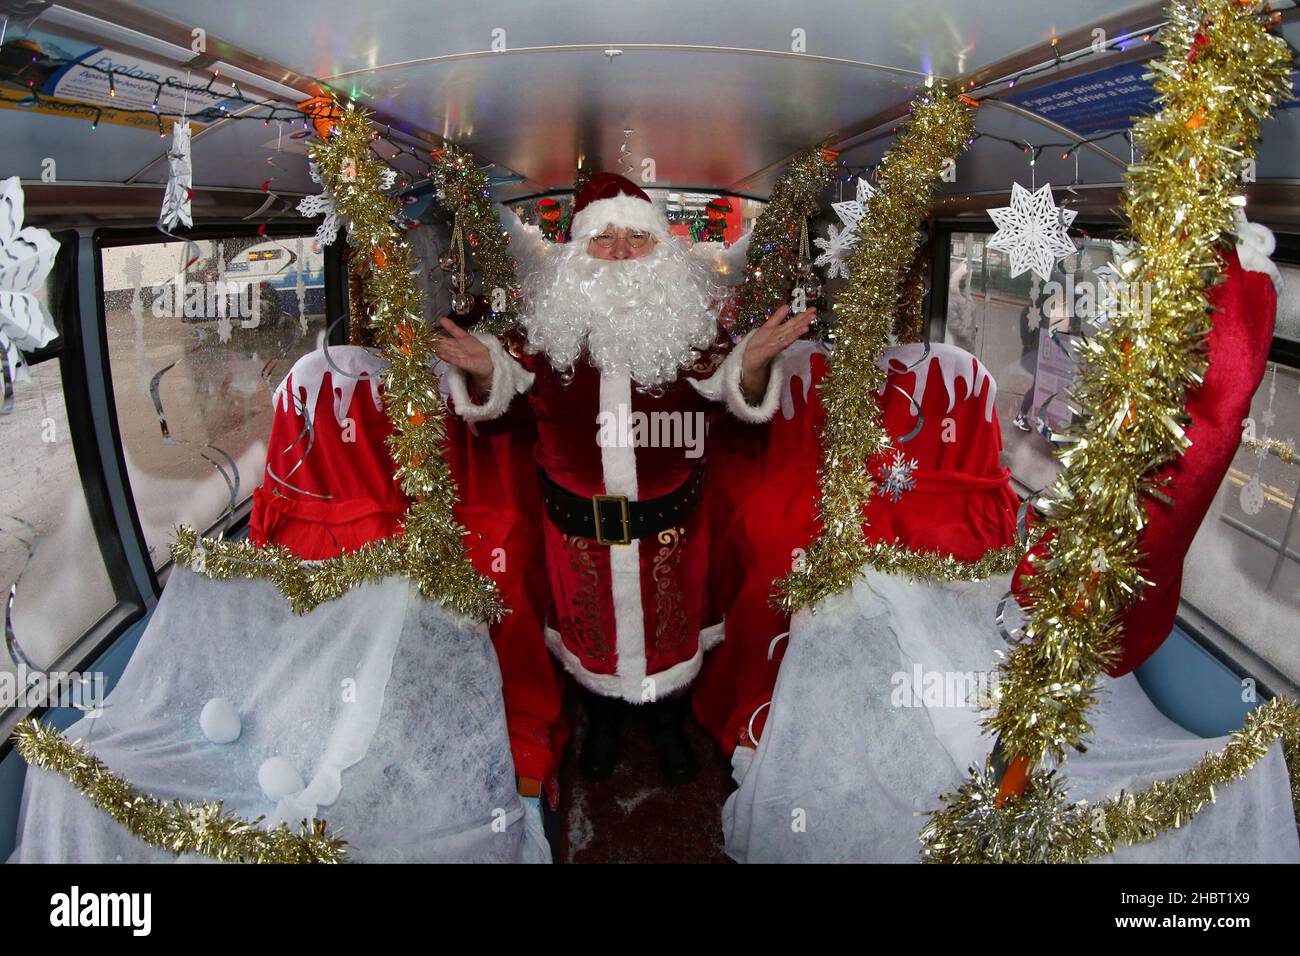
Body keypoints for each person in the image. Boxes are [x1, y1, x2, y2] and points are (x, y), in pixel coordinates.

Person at [434, 172, 813, 784]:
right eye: (602, 239)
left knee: (670, 635)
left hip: (671, 533)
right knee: (590, 637)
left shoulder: (693, 330)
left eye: (635, 239)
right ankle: (601, 721)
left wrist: (752, 364)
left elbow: (732, 388)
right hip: (575, 531)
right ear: (578, 251)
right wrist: (483, 371)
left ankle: (667, 724)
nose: (617, 252)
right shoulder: (544, 331)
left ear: (660, 250)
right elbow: (502, 381)